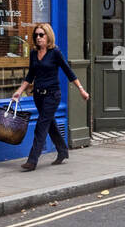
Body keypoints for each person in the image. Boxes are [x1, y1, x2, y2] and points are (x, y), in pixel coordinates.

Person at [11, 23, 89, 170]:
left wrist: (81, 89)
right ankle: (63, 151)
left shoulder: (55, 53)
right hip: (38, 96)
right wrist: (19, 92)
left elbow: (68, 72)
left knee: (41, 126)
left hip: (52, 95)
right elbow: (30, 75)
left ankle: (32, 161)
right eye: (36, 35)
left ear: (48, 36)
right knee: (50, 124)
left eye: (41, 35)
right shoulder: (34, 53)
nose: (38, 38)